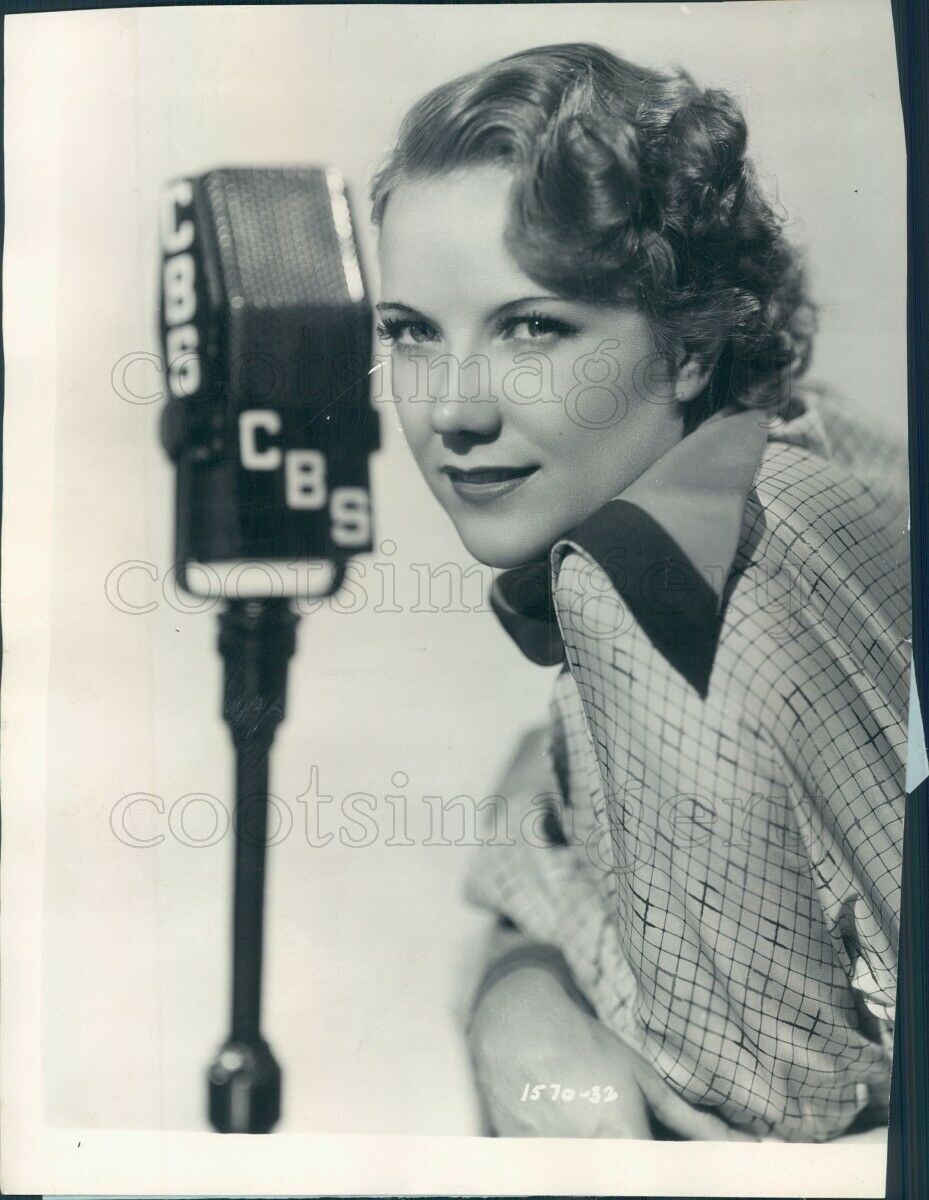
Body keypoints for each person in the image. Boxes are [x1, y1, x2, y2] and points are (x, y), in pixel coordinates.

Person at [369, 42, 908, 1142]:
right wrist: (520, 987)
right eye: (413, 333)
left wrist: (518, 994)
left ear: (686, 347)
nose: (453, 410)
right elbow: (546, 791)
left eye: (532, 327)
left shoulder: (643, 575)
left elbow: (760, 1119)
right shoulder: (812, 453)